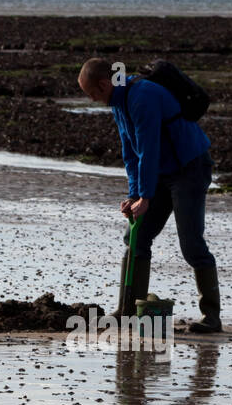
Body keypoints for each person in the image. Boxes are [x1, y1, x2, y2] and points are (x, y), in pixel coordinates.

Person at [77, 57, 221, 333]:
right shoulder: (117, 102)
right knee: (135, 236)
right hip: (160, 173)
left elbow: (149, 149)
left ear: (105, 84)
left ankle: (212, 317)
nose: (92, 99)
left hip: (189, 169)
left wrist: (146, 196)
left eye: (92, 93)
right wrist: (134, 196)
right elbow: (130, 152)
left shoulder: (142, 96)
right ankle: (127, 311)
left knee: (191, 244)